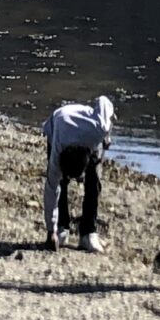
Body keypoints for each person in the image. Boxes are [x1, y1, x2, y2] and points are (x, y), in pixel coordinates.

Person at [41, 96, 116, 254]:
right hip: (58, 122)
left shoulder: (98, 129)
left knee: (94, 181)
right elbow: (51, 188)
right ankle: (61, 228)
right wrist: (50, 231)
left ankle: (88, 233)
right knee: (59, 183)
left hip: (88, 128)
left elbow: (104, 101)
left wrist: (107, 136)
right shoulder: (58, 147)